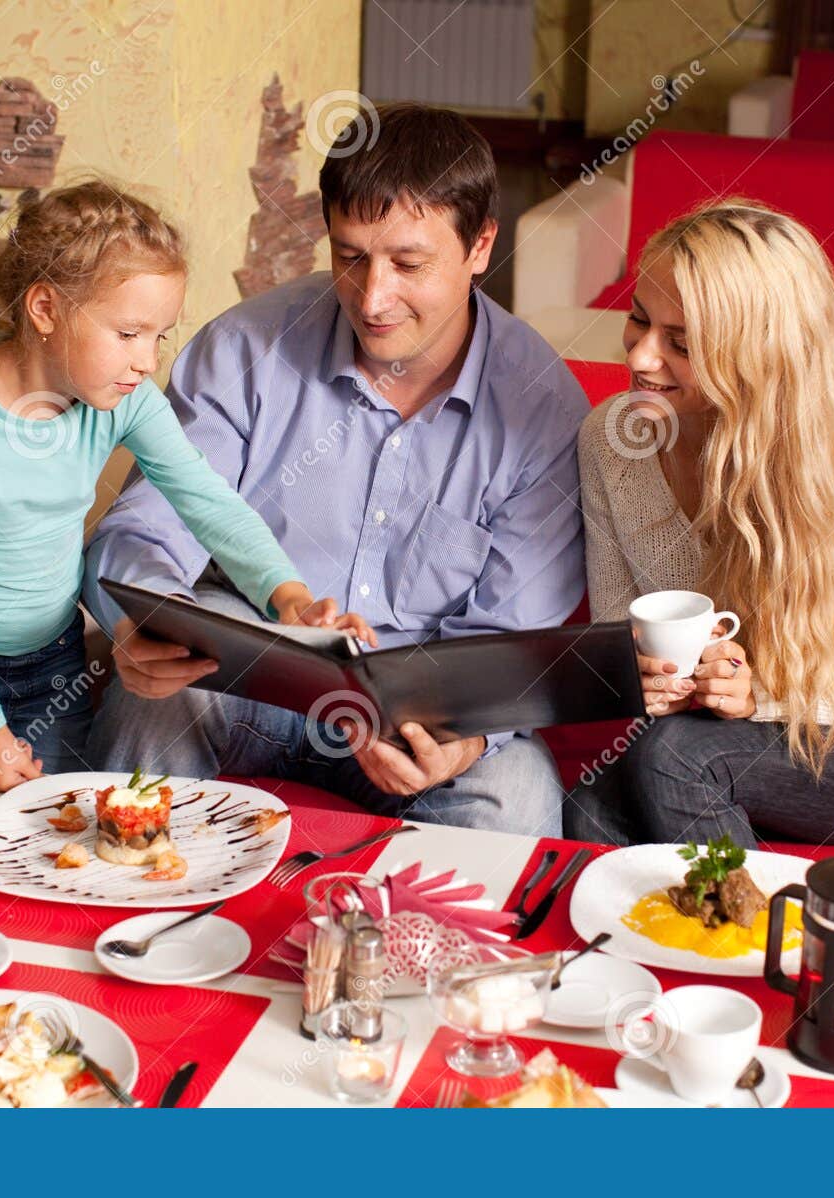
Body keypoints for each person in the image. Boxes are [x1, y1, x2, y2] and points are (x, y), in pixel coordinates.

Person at [84, 104, 589, 838]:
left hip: (420, 714)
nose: (372, 298)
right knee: (154, 701)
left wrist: (464, 743)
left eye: (409, 265)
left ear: (481, 246)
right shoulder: (245, 349)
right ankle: (113, 921)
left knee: (514, 793)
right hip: (245, 671)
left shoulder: (542, 409)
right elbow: (144, 531)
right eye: (349, 255)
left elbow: (512, 649)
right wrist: (139, 625)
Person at [0, 180, 370, 793]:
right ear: (45, 310)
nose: (148, 361)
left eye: (158, 336)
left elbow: (209, 501)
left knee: (57, 820)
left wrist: (288, 595)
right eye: (127, 334)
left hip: (50, 655)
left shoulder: (126, 399)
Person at [565, 198, 834, 848]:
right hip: (728, 735)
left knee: (674, 758)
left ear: (755, 353)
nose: (643, 359)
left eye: (681, 343)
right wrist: (648, 671)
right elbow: (620, 626)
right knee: (592, 806)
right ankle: (653, 949)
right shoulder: (611, 440)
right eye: (639, 321)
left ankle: (763, 943)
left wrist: (758, 692)